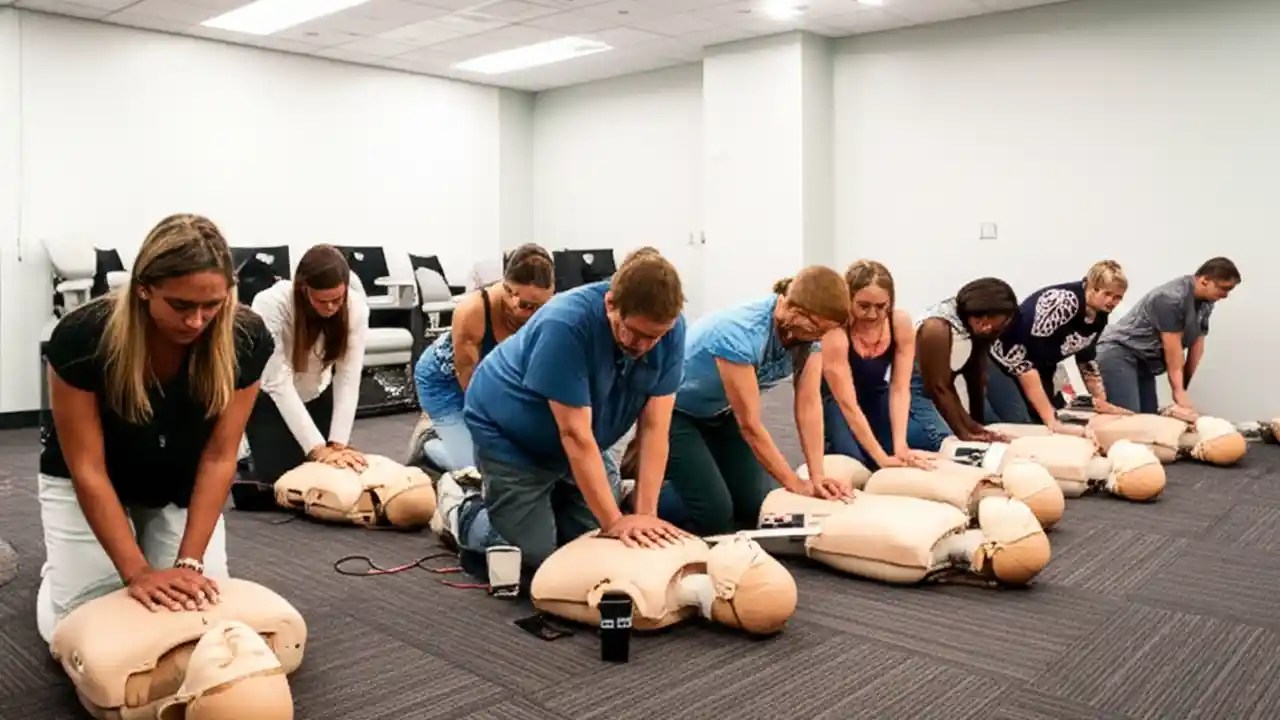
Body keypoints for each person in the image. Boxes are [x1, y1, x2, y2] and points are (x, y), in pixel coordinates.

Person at [36, 214, 274, 643]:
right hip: (91, 479)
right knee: (79, 625)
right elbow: (87, 467)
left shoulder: (247, 337)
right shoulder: (82, 337)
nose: (197, 321)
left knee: (200, 610)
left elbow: (221, 455)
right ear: (144, 288)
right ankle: (59, 577)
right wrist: (138, 572)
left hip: (178, 480)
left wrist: (189, 563)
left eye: (212, 305)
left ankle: (138, 551)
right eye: (181, 305)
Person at [440, 250, 691, 574]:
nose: (644, 345)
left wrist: (645, 517)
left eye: (654, 337)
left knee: (590, 546)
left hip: (585, 436)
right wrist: (615, 521)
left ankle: (545, 502)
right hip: (511, 436)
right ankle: (462, 504)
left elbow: (656, 428)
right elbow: (573, 434)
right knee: (535, 560)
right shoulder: (566, 323)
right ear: (611, 303)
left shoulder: (668, 331)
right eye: (636, 333)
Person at [662, 266, 851, 536]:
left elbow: (808, 404)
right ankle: (645, 492)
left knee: (755, 506)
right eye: (818, 330)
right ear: (797, 313)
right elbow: (750, 424)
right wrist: (794, 483)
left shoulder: (809, 335)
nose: (821, 338)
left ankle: (696, 478)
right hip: (674, 413)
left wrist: (816, 476)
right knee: (716, 516)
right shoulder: (739, 333)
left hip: (719, 412)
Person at [411, 244, 555, 471]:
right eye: (527, 306)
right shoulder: (473, 311)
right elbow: (471, 386)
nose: (531, 315)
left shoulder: (551, 311)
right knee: (481, 468)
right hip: (446, 382)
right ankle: (428, 441)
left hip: (494, 380)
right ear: (509, 291)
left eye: (540, 307)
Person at [245, 245, 370, 483]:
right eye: (323, 301)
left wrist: (336, 443)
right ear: (304, 290)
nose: (332, 307)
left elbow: (348, 376)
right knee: (279, 479)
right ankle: (249, 455)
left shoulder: (356, 308)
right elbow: (276, 380)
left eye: (337, 299)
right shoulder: (270, 303)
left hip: (317, 397)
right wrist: (315, 448)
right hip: (270, 401)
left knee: (326, 475)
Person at [986, 260, 1131, 430]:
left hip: (1041, 368)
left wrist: (1104, 407)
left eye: (1117, 298)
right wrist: (1050, 419)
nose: (1112, 302)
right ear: (1092, 287)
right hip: (1006, 360)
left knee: (1045, 420)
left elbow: (1087, 363)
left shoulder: (1099, 315)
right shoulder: (1063, 302)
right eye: (1108, 294)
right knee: (1023, 423)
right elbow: (1026, 361)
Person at [820, 260, 930, 471]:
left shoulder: (900, 324)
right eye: (863, 306)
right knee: (856, 463)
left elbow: (899, 388)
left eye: (881, 307)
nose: (872, 315)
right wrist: (881, 458)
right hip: (837, 403)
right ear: (848, 299)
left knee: (921, 443)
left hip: (876, 395)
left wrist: (900, 446)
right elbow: (848, 404)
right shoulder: (835, 334)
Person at [1094, 257, 1240, 415]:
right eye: (1224, 289)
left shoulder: (1206, 302)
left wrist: (1183, 389)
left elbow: (1197, 347)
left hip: (1144, 360)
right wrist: (1178, 392)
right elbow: (1173, 352)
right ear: (1204, 280)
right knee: (1128, 417)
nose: (1226, 295)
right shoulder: (1171, 298)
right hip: (1119, 352)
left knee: (1148, 417)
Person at [907, 277, 1019, 451]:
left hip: (943, 389)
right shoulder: (936, 328)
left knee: (982, 437)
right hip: (914, 391)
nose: (986, 328)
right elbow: (937, 387)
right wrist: (963, 434)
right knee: (947, 443)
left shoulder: (971, 328)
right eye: (982, 321)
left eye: (993, 327)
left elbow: (972, 380)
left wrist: (975, 427)